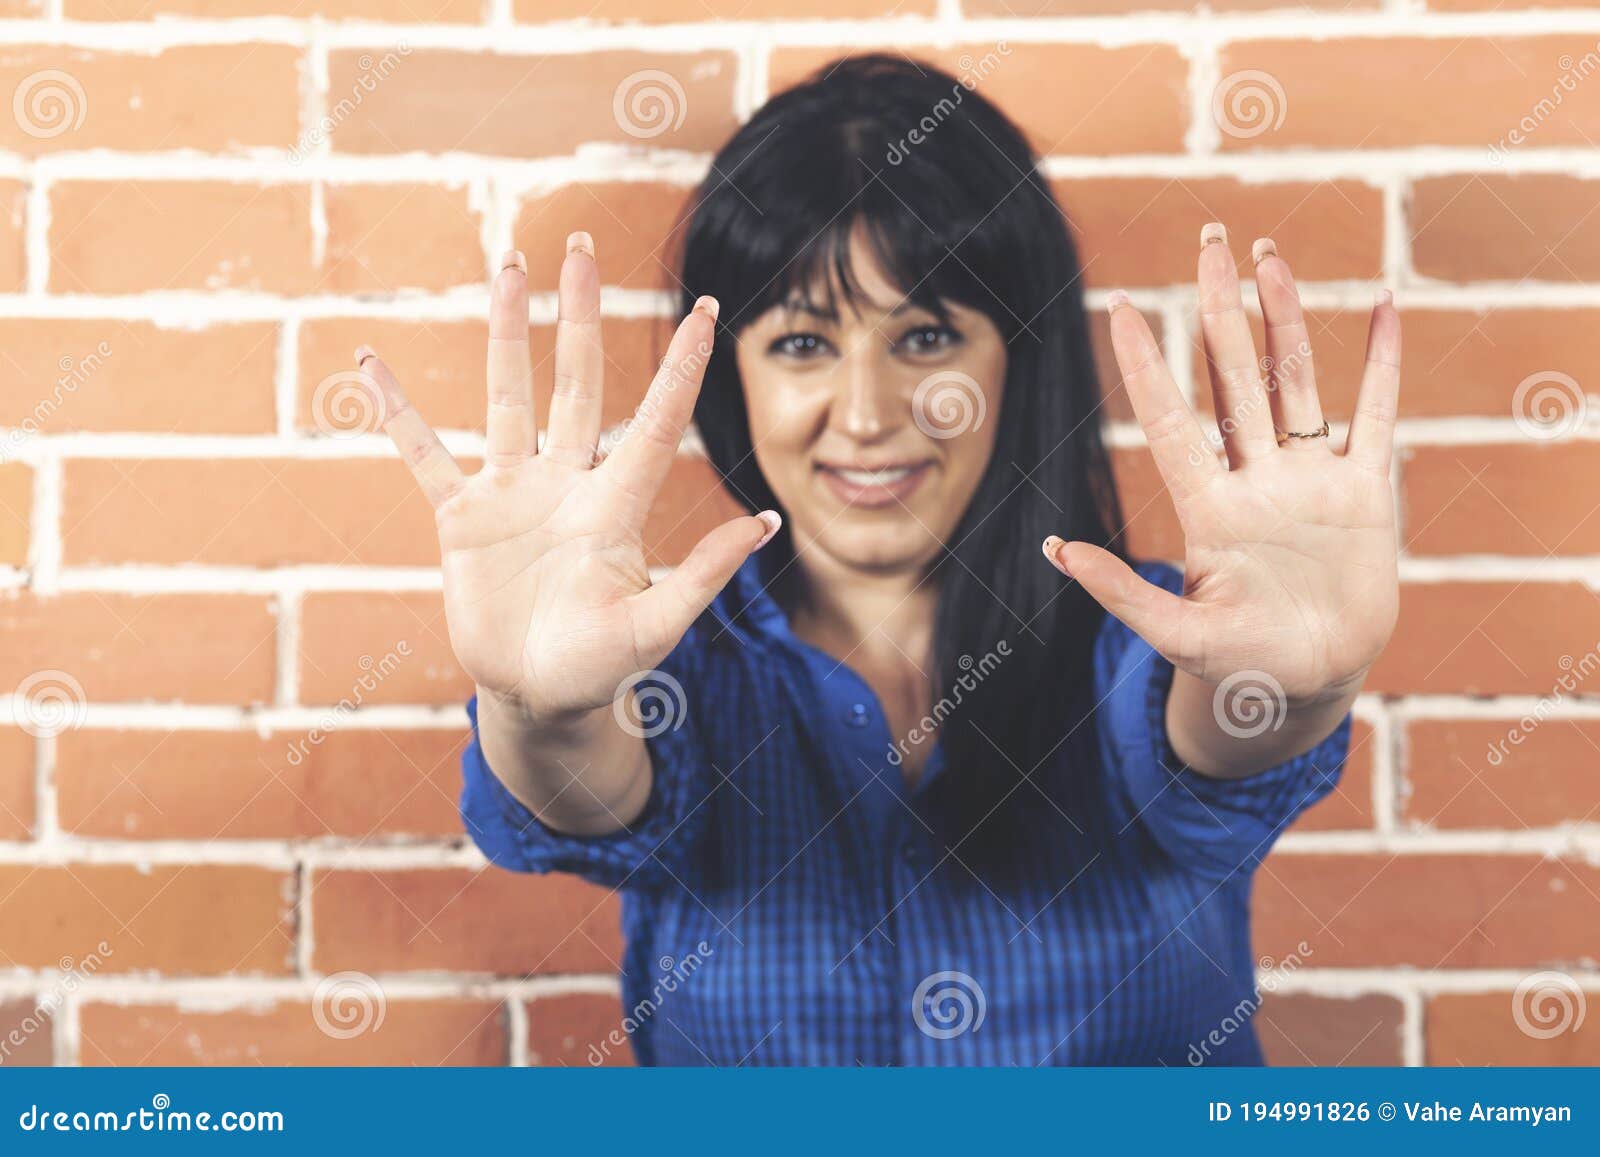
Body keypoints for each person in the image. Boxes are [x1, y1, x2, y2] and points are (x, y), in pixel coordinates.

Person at [351, 56, 1400, 1065]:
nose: (865, 415)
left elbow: (1218, 743)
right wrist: (541, 707)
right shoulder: (667, 672)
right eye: (803, 343)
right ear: (735, 383)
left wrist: (1296, 686)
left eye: (927, 336)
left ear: (1014, 357)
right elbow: (587, 793)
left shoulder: (1161, 644)